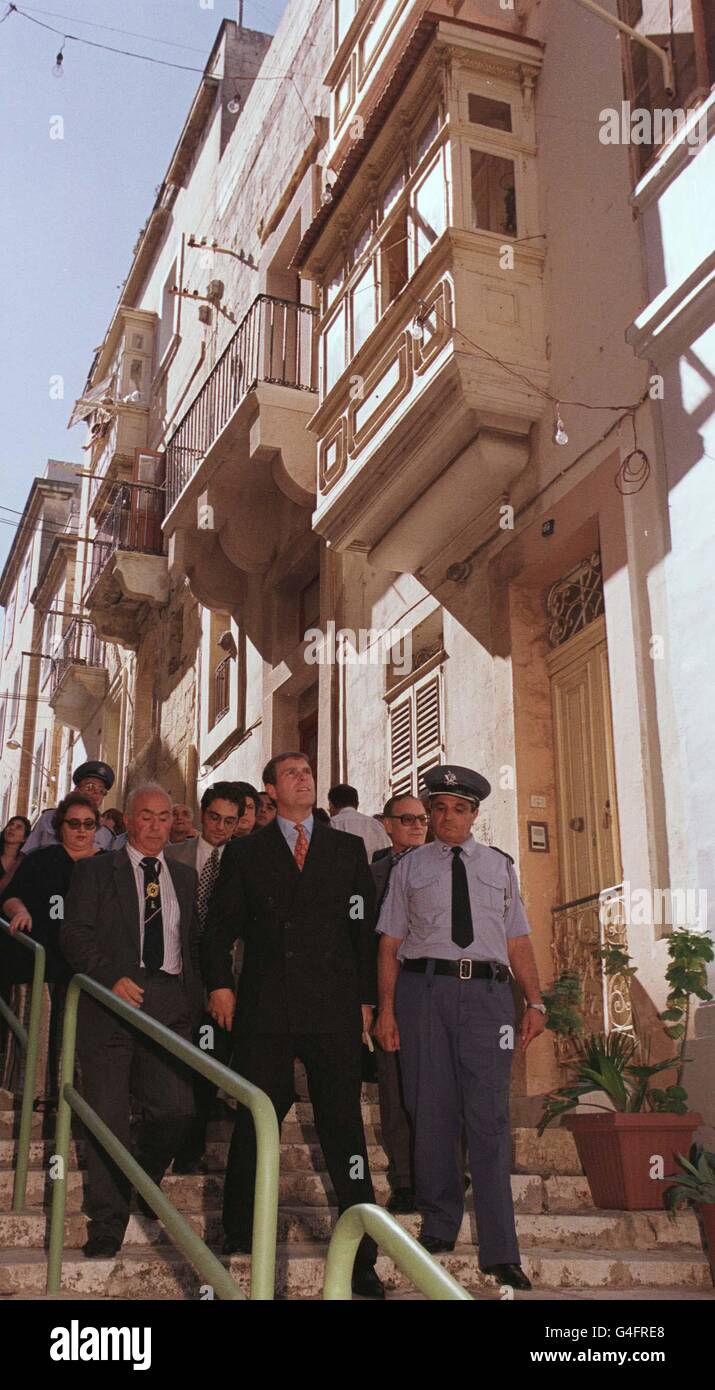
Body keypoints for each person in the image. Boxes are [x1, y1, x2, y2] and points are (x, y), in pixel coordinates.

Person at [202, 751, 384, 1298]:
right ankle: (238, 1233)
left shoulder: (347, 848)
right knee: (258, 1122)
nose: (304, 778)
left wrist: (367, 1001)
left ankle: (363, 1258)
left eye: (308, 771)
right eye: (291, 773)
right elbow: (217, 929)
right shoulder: (245, 852)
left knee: (344, 1128)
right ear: (271, 792)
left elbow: (364, 932)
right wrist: (220, 985)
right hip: (265, 1010)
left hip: (331, 1011)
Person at [374, 764, 546, 1292]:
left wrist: (535, 1002)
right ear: (429, 813)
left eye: (460, 808)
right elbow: (389, 945)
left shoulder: (500, 867)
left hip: (489, 997)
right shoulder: (408, 868)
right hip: (424, 993)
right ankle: (441, 1223)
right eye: (439, 808)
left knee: (489, 1117)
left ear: (475, 814)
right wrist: (385, 1010)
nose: (448, 817)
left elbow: (517, 940)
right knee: (431, 1110)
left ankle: (501, 1250)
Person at [60, 783, 203, 1259]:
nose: (157, 825)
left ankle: (137, 1179)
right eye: (147, 816)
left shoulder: (184, 876)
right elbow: (74, 935)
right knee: (107, 1116)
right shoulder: (97, 871)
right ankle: (107, 1222)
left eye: (165, 817)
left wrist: (194, 1000)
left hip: (168, 1001)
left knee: (177, 1108)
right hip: (111, 1001)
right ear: (128, 821)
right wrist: (110, 977)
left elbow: (191, 943)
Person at [0, 794, 103, 1107]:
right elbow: (11, 897)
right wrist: (19, 911)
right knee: (38, 1027)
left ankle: (71, 1097)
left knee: (77, 1031)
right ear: (61, 827)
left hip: (85, 965)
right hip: (40, 959)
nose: (81, 830)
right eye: (74, 823)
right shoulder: (41, 859)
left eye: (89, 824)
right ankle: (32, 1093)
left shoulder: (108, 864)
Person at [166, 781, 245, 1171]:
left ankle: (190, 1149)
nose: (220, 827)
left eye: (230, 821)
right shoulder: (171, 855)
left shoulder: (245, 860)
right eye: (214, 818)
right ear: (202, 814)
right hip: (177, 973)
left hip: (225, 980)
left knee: (209, 1058)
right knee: (172, 1061)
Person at [371, 794, 430, 1215]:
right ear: (387, 824)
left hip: (437, 992)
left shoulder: (445, 867)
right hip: (390, 993)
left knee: (440, 1090)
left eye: (421, 819)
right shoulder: (370, 876)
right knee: (394, 1093)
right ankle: (405, 1180)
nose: (416, 826)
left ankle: (444, 1171)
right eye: (406, 819)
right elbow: (360, 943)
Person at [21, 762, 115, 855]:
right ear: (77, 790)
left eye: (101, 790)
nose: (96, 793)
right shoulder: (49, 818)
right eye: (90, 787)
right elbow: (26, 853)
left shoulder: (105, 834)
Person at [328, 784, 391, 862]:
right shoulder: (376, 825)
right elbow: (387, 855)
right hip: (372, 872)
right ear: (357, 804)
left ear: (331, 805)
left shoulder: (333, 823)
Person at [0, 815, 31, 895]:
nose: (12, 828)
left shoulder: (26, 863)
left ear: (24, 838)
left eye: (18, 827)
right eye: (10, 824)